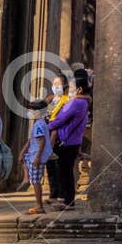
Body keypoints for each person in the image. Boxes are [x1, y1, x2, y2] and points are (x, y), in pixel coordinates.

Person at [46, 72, 90, 211]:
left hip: (67, 141)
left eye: (71, 88)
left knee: (65, 171)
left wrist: (45, 127)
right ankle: (64, 199)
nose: (68, 91)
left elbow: (60, 120)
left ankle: (68, 201)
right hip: (72, 140)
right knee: (64, 171)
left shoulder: (76, 102)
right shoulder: (83, 102)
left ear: (79, 90)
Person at [22, 103, 54, 215]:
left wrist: (38, 157)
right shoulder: (38, 123)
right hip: (33, 154)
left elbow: (42, 142)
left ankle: (39, 205)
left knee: (36, 181)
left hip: (37, 155)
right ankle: (26, 178)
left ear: (38, 112)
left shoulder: (39, 124)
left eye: (32, 110)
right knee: (25, 161)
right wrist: (22, 152)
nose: (30, 112)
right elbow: (31, 140)